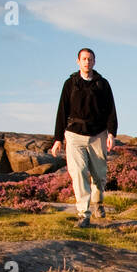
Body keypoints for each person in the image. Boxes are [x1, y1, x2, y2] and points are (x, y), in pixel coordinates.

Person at [50, 48, 117, 226]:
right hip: (74, 134)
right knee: (78, 172)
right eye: (84, 59)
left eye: (90, 59)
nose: (87, 62)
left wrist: (111, 133)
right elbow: (62, 111)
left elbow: (111, 110)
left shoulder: (102, 84)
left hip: (98, 135)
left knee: (99, 175)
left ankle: (98, 203)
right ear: (78, 61)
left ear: (94, 62)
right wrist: (58, 138)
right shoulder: (70, 84)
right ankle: (84, 214)